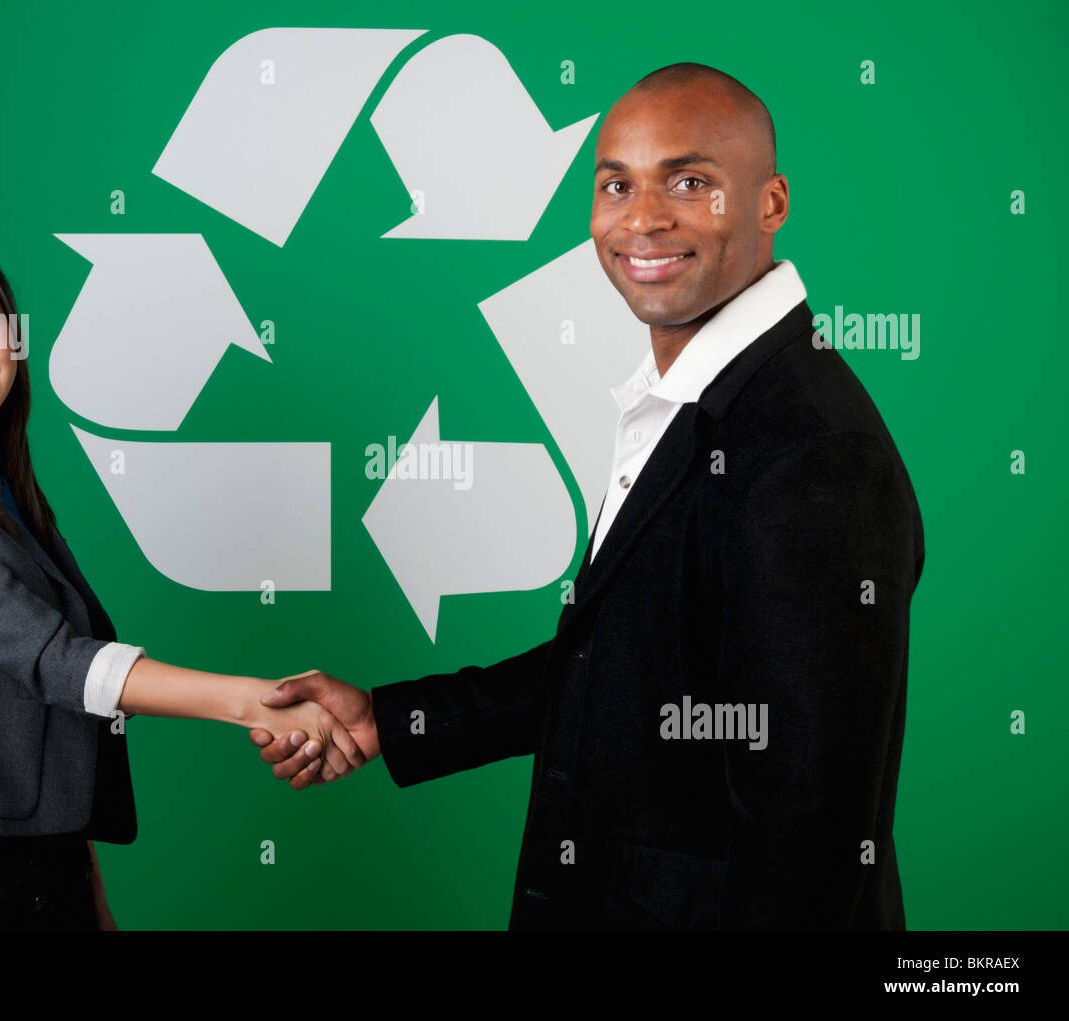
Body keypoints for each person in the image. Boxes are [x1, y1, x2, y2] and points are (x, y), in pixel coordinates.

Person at [249, 63, 926, 929]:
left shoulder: (813, 450)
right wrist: (390, 717)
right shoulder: (701, 395)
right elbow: (624, 667)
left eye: (689, 182)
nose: (641, 218)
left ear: (770, 203)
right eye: (616, 184)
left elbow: (813, 835)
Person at [0, 235, 365, 931]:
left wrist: (89, 888)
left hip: (50, 868)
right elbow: (56, 661)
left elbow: (55, 707)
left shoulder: (3, 489)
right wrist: (254, 704)